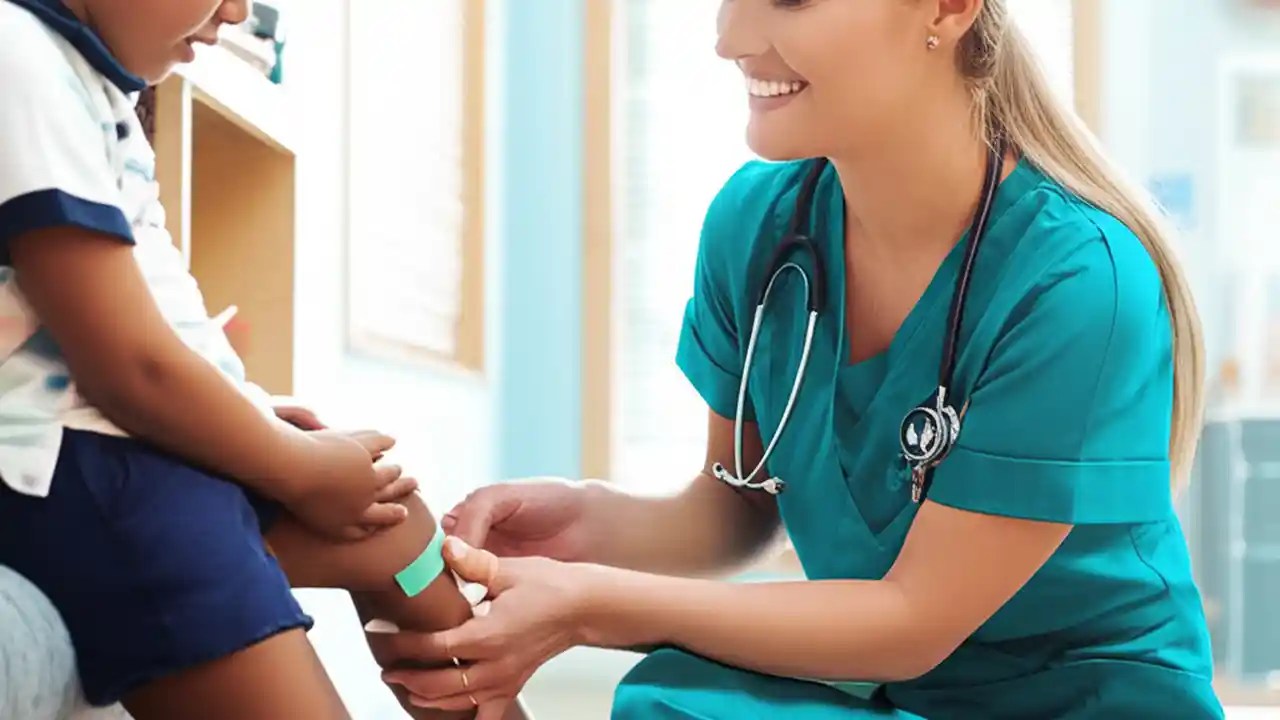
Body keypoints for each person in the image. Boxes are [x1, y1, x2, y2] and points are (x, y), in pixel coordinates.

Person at [362, 1, 1226, 718]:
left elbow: (912, 621)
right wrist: (585, 524)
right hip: (900, 693)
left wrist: (590, 605)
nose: (729, 36)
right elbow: (735, 506)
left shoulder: (1078, 280)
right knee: (673, 703)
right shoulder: (760, 224)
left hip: (1084, 702)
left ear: (946, 9)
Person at [0, 1, 507, 719]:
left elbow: (138, 320)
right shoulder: (18, 56)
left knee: (399, 527)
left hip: (126, 456)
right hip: (88, 482)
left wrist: (246, 417)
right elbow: (131, 370)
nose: (238, 11)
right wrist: (291, 466)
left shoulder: (88, 81)